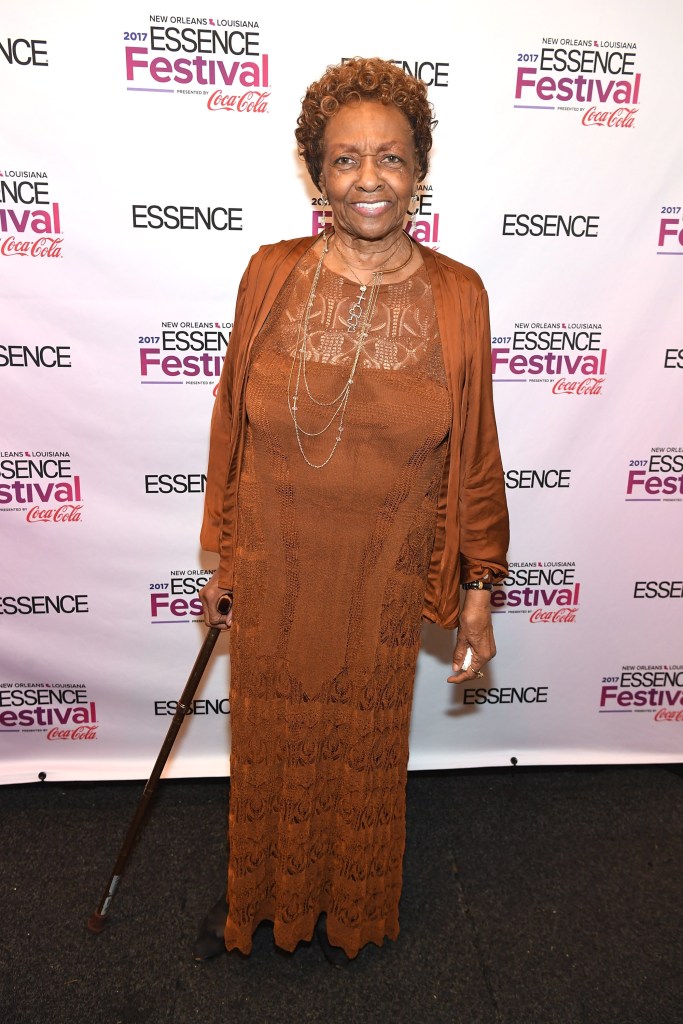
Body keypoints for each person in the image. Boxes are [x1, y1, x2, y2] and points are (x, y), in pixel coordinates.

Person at [196, 56, 509, 966]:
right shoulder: (270, 274)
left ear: (419, 170)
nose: (368, 179)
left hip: (382, 577)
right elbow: (230, 426)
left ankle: (350, 911)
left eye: (390, 157)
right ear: (313, 171)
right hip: (276, 564)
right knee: (273, 746)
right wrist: (222, 557)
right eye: (344, 159)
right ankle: (262, 906)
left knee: (360, 749)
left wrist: (478, 582)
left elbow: (476, 448)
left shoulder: (459, 294)